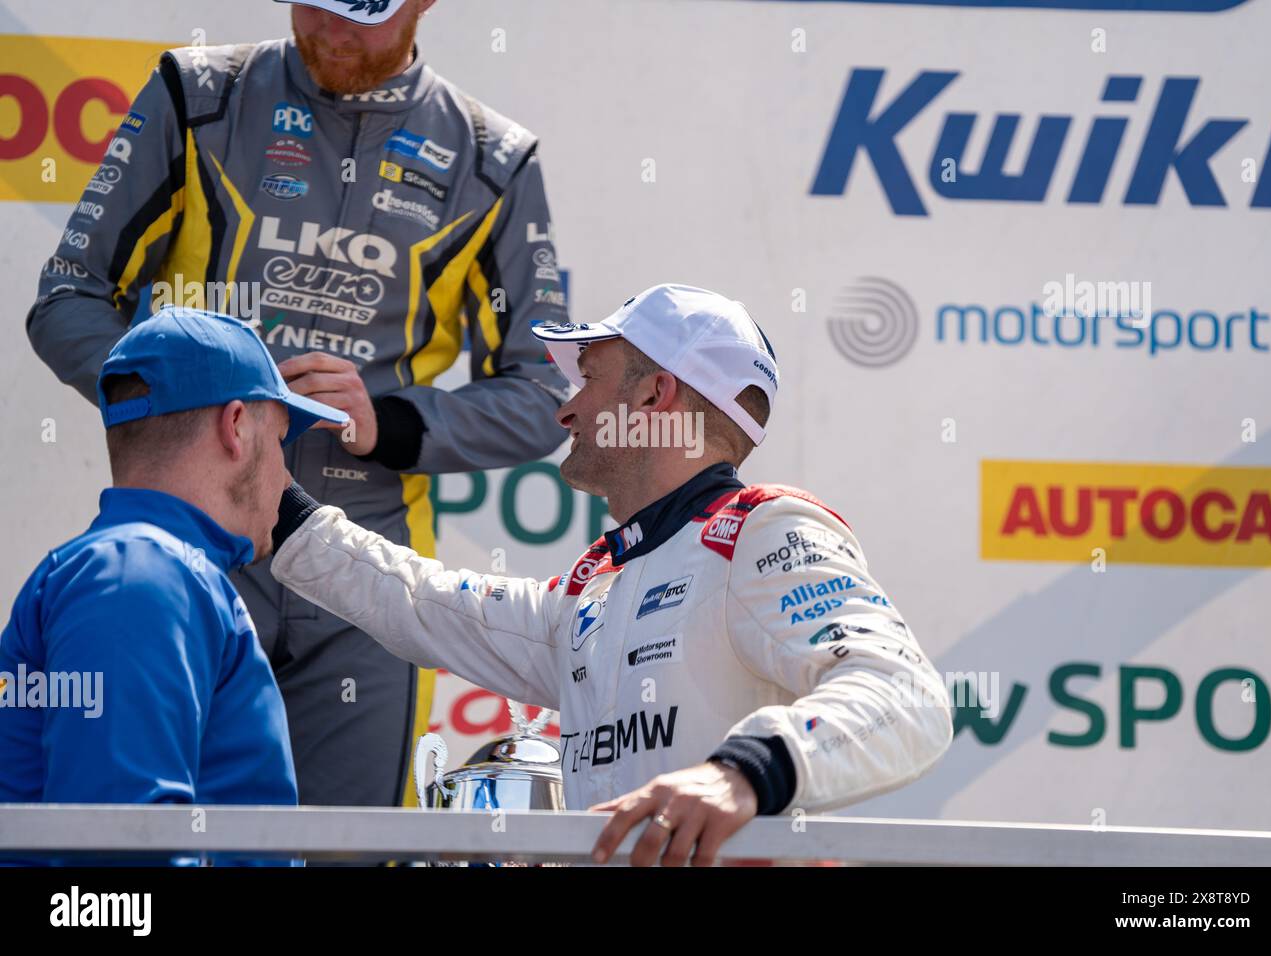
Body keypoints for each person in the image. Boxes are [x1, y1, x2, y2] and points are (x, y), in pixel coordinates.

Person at [25, 0, 571, 807]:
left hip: (361, 563)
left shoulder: (493, 159)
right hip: (194, 533)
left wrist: (390, 422)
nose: (331, 33)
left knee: (344, 851)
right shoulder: (199, 92)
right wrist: (195, 391)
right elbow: (66, 299)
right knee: (143, 822)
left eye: (363, 14)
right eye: (315, 5)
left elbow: (544, 391)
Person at [268, 284, 954, 866]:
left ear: (656, 395)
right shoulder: (599, 579)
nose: (565, 410)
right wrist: (275, 508)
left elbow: (904, 692)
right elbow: (426, 604)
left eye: (588, 378)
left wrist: (743, 773)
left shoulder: (759, 530)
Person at [0, 307, 346, 821]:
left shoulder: (143, 567)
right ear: (235, 427)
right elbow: (119, 858)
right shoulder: (142, 573)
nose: (286, 479)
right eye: (278, 442)